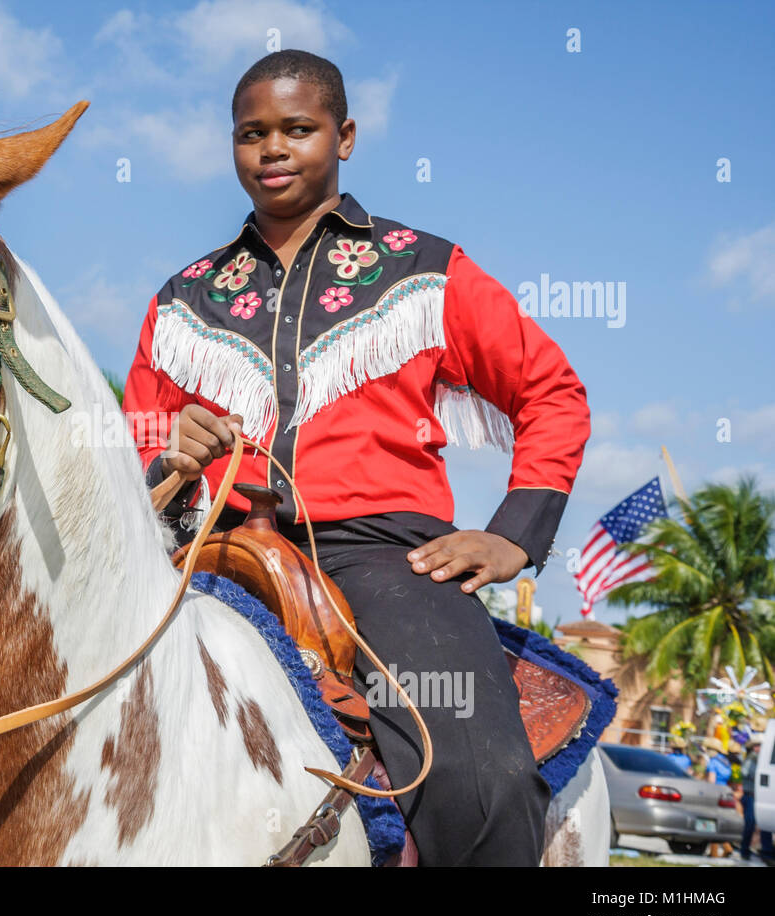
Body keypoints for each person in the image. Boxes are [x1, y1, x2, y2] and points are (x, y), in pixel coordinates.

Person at [123, 50, 590, 866]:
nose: (273, 148)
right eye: (251, 133)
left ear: (344, 136)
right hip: (206, 552)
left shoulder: (426, 270)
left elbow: (551, 393)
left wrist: (512, 535)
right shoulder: (182, 299)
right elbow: (135, 445)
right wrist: (172, 456)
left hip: (383, 560)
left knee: (485, 778)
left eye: (297, 129)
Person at [738, 735, 774, 863]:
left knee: (764, 823)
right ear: (754, 747)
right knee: (750, 823)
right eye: (758, 745)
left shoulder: (760, 759)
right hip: (751, 795)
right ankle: (744, 850)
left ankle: (767, 850)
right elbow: (746, 772)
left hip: (758, 795)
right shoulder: (752, 758)